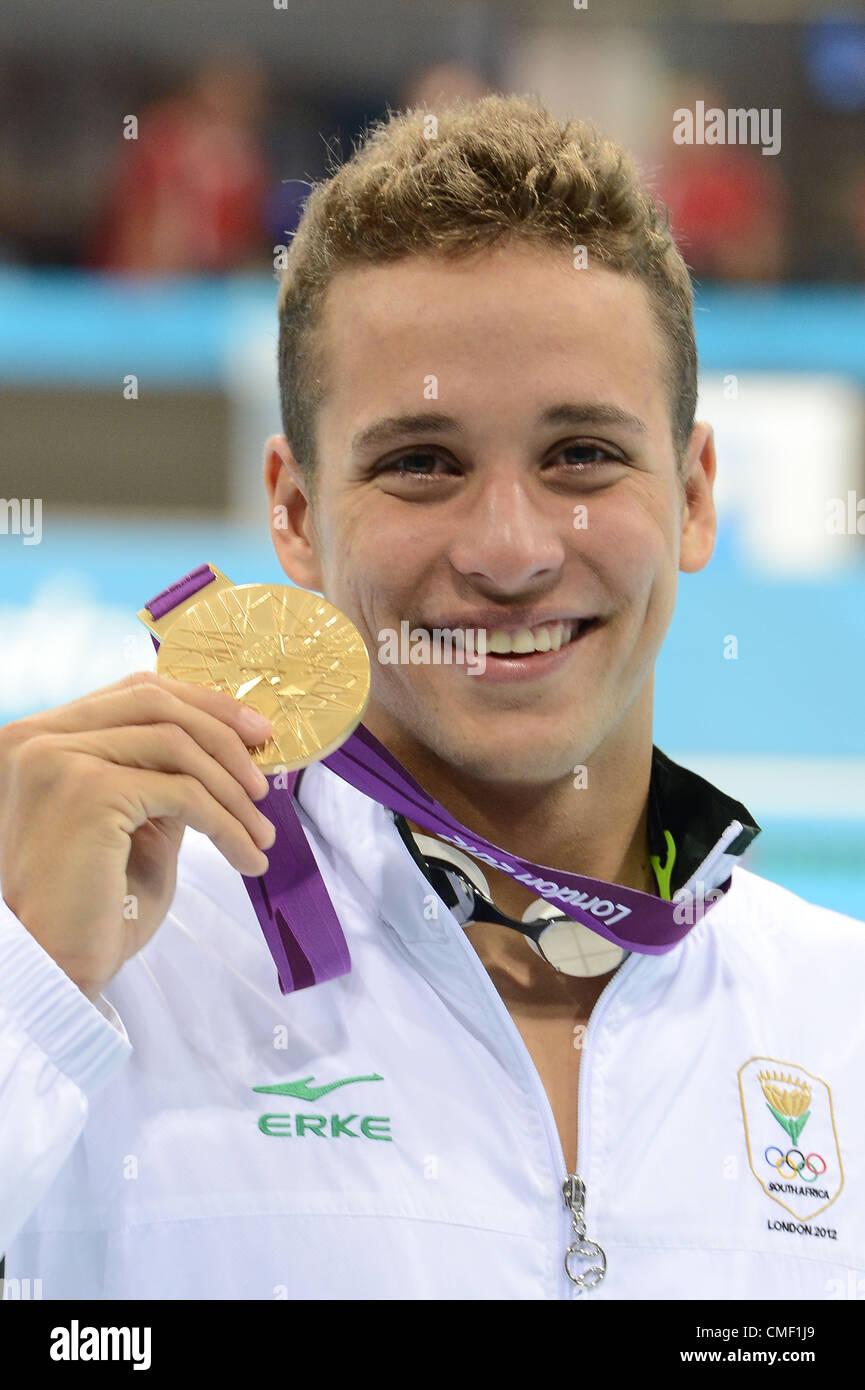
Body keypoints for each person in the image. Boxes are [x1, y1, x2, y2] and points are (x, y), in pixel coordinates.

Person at [1, 93, 862, 1301]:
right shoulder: (104, 970)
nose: (509, 551)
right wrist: (25, 991)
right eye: (421, 462)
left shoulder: (842, 1015)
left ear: (696, 494)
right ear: (295, 512)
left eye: (581, 456)